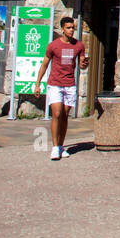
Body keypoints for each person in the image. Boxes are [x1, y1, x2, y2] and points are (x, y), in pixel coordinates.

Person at [33, 15, 87, 160]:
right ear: (62, 29)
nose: (71, 30)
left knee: (64, 115)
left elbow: (81, 64)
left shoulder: (79, 45)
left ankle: (61, 145)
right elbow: (44, 64)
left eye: (73, 28)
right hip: (55, 83)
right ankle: (55, 147)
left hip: (69, 84)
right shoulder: (53, 45)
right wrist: (38, 84)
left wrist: (84, 64)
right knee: (56, 113)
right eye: (68, 28)